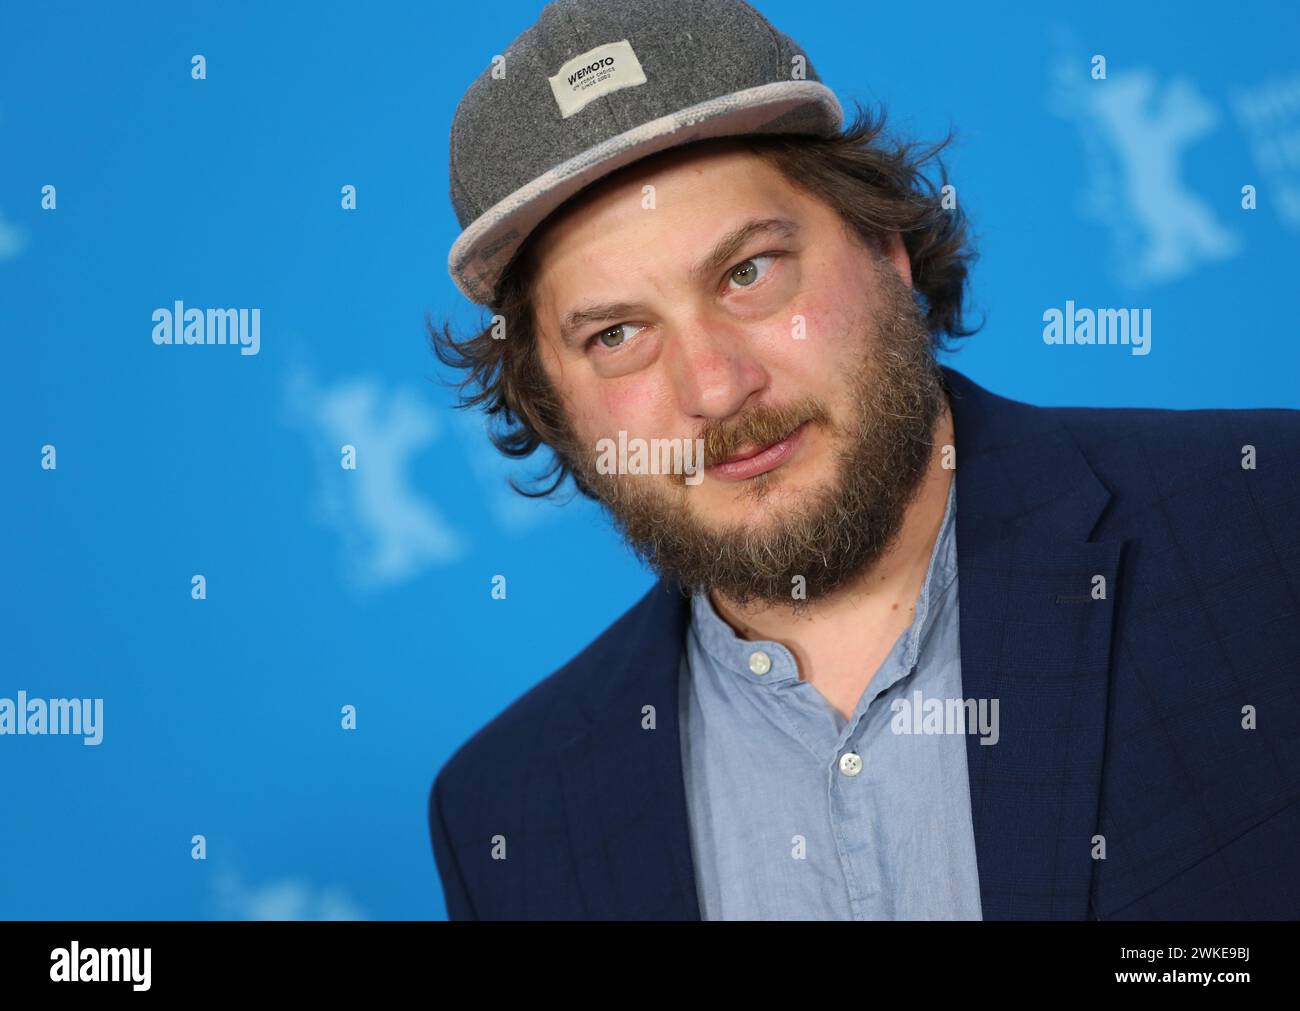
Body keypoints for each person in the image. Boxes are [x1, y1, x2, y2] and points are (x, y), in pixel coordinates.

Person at [427, 0, 1300, 920]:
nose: (717, 387)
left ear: (887, 248)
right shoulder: (509, 815)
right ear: (550, 401)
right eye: (616, 332)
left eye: (749, 272)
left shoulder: (1268, 521)